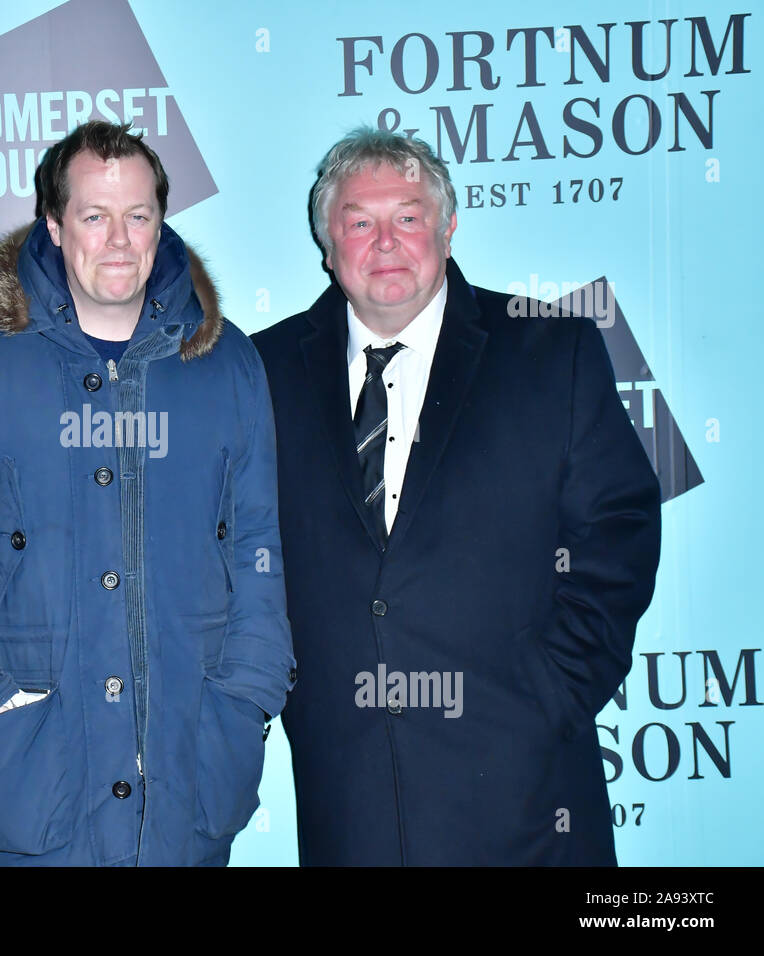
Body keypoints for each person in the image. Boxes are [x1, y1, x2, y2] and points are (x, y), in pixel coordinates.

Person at [251, 127, 661, 865]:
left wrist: (549, 693)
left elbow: (619, 531)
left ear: (447, 227)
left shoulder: (549, 350)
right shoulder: (261, 370)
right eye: (359, 221)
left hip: (526, 798)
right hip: (349, 798)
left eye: (408, 217)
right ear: (327, 241)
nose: (385, 243)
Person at [0, 121, 295, 866]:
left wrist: (245, 699)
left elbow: (258, 548)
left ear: (161, 221)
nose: (119, 240)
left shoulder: (226, 362)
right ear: (54, 225)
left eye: (139, 215)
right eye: (94, 216)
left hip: (190, 779)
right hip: (34, 783)